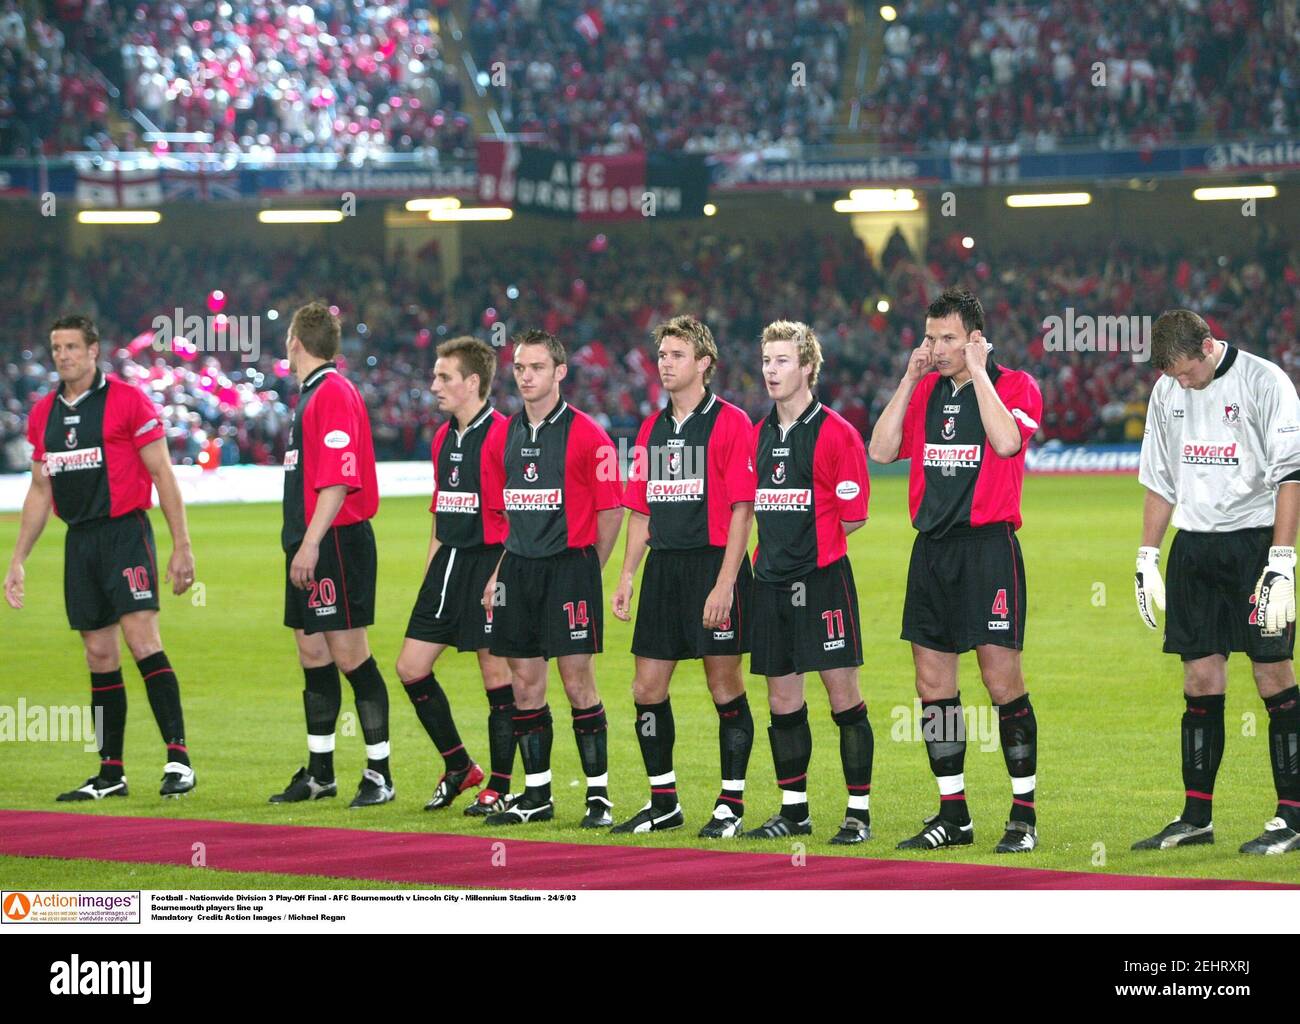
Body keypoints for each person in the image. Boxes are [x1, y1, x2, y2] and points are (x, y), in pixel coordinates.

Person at [869, 288, 1043, 854]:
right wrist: (907, 379)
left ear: (974, 338)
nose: (936, 348)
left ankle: (1023, 815)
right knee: (932, 686)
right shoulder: (924, 391)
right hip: (933, 551)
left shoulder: (1016, 386)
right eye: (929, 337)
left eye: (947, 338)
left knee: (1000, 681)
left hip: (988, 549)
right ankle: (954, 814)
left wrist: (978, 372)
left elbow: (1007, 439)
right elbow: (882, 448)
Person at [5, 315, 197, 800]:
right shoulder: (43, 413)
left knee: (141, 639)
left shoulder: (127, 401)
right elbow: (40, 489)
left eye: (71, 346)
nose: (63, 355)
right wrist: (18, 559)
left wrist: (182, 545)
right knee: (98, 653)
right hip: (81, 541)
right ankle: (111, 772)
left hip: (125, 533)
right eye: (56, 347)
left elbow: (163, 475)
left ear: (94, 351)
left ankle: (178, 759)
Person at [1132, 308, 1300, 855]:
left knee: (1273, 675)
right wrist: (1147, 555)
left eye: (1185, 371)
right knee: (1200, 682)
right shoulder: (1167, 391)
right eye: (1171, 375)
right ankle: (1196, 816)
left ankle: (1292, 817)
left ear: (1208, 346)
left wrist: (1281, 561)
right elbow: (1160, 476)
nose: (1180, 383)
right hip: (1195, 549)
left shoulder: (1263, 382)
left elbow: (1291, 475)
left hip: (1253, 546)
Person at [611, 315, 757, 837]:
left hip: (713, 565)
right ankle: (664, 800)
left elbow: (743, 509)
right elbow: (641, 511)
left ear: (704, 364)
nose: (665, 364)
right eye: (662, 355)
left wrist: (725, 582)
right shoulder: (651, 428)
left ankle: (730, 805)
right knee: (646, 688)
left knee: (724, 685)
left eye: (676, 355)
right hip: (664, 570)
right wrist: (627, 575)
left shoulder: (732, 423)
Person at [480, 330, 624, 827]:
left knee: (576, 680)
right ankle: (537, 795)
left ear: (560, 373)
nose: (525, 376)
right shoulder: (503, 433)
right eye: (519, 367)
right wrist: (498, 572)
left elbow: (611, 512)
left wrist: (587, 570)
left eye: (537, 367)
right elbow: (507, 516)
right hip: (518, 569)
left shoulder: (589, 435)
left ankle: (599, 797)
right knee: (524, 683)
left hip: (570, 568)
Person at [745, 320, 875, 844]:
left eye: (781, 361)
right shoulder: (759, 434)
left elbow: (854, 516)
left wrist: (810, 545)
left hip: (822, 582)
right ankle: (793, 811)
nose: (771, 371)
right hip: (769, 581)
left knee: (843, 698)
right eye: (766, 361)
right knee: (782, 702)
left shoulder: (838, 433)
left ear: (806, 368)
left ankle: (858, 813)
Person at [268, 302, 392, 808]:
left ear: (295, 341)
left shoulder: (333, 392)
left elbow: (339, 479)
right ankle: (321, 772)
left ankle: (380, 773)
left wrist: (313, 544)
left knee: (349, 654)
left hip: (335, 542)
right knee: (312, 653)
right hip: (311, 542)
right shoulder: (313, 394)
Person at [395, 336, 517, 815]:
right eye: (435, 376)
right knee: (410, 667)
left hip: (491, 561)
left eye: (444, 377)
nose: (434, 385)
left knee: (494, 671)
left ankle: (502, 785)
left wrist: (501, 577)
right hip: (447, 562)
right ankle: (459, 765)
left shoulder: (505, 435)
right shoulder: (443, 437)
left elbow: (519, 515)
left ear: (472, 382)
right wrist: (429, 573)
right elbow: (441, 509)